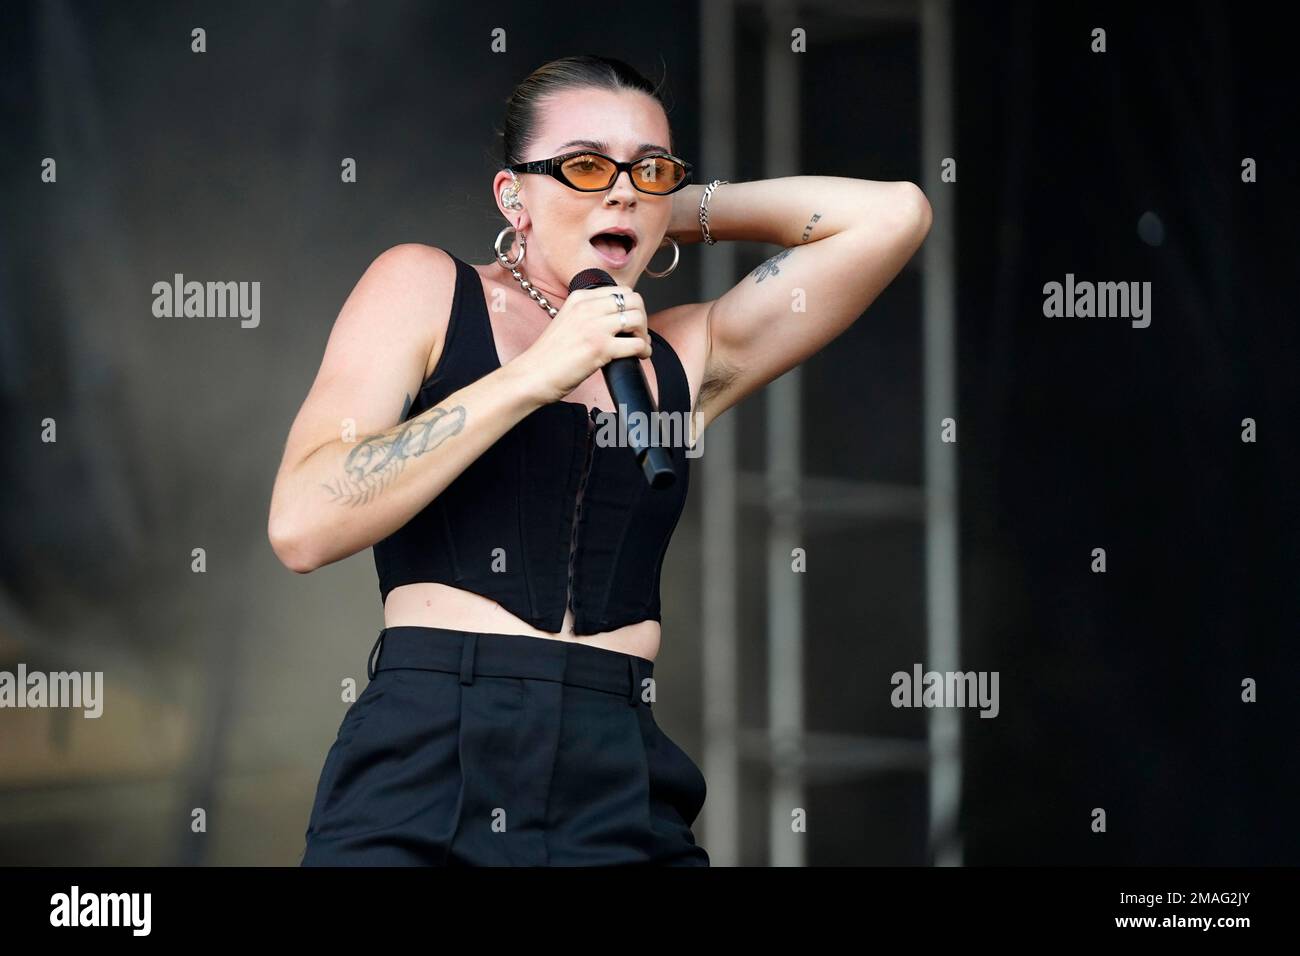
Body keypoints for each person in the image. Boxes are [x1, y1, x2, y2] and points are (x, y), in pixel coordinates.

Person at [268, 53, 932, 866]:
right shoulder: (425, 287)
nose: (619, 187)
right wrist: (531, 377)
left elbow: (893, 215)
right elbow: (303, 523)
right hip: (433, 745)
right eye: (583, 164)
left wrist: (656, 209)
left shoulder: (687, 350)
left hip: (616, 761)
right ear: (513, 195)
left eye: (649, 168)